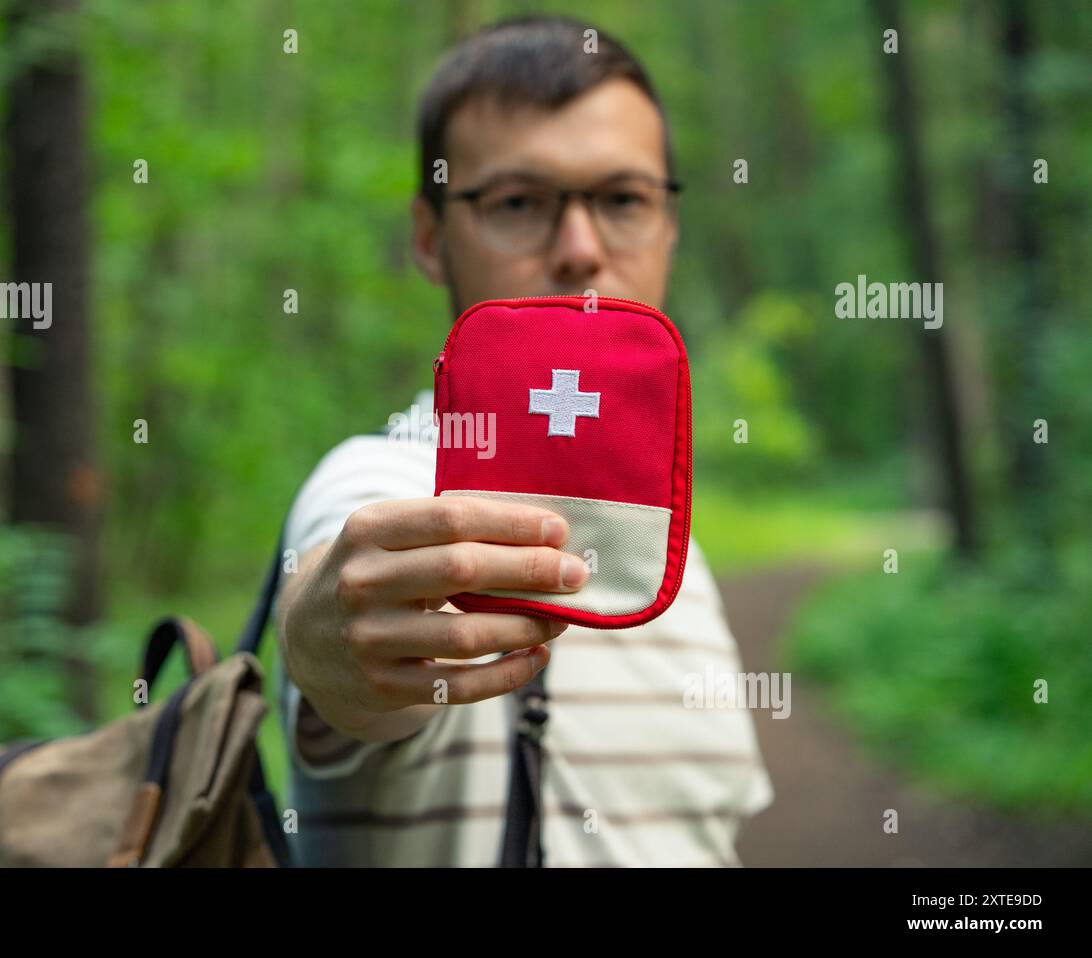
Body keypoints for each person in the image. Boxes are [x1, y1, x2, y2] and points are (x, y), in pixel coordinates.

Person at [272, 14, 773, 867]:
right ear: (431, 240)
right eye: (517, 203)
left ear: (669, 226)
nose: (581, 249)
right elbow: (352, 644)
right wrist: (328, 643)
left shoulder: (669, 547)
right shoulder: (383, 476)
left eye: (623, 200)